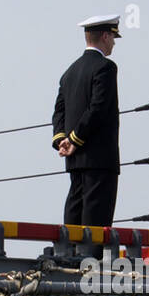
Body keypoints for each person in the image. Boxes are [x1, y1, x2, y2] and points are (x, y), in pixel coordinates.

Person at [52, 14, 121, 233]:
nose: (113, 43)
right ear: (104, 36)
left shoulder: (69, 72)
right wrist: (75, 139)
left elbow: (59, 110)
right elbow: (98, 108)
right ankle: (90, 262)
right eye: (113, 37)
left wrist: (62, 139)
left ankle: (69, 253)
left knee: (75, 204)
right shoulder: (106, 68)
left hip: (75, 157)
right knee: (96, 218)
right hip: (98, 156)